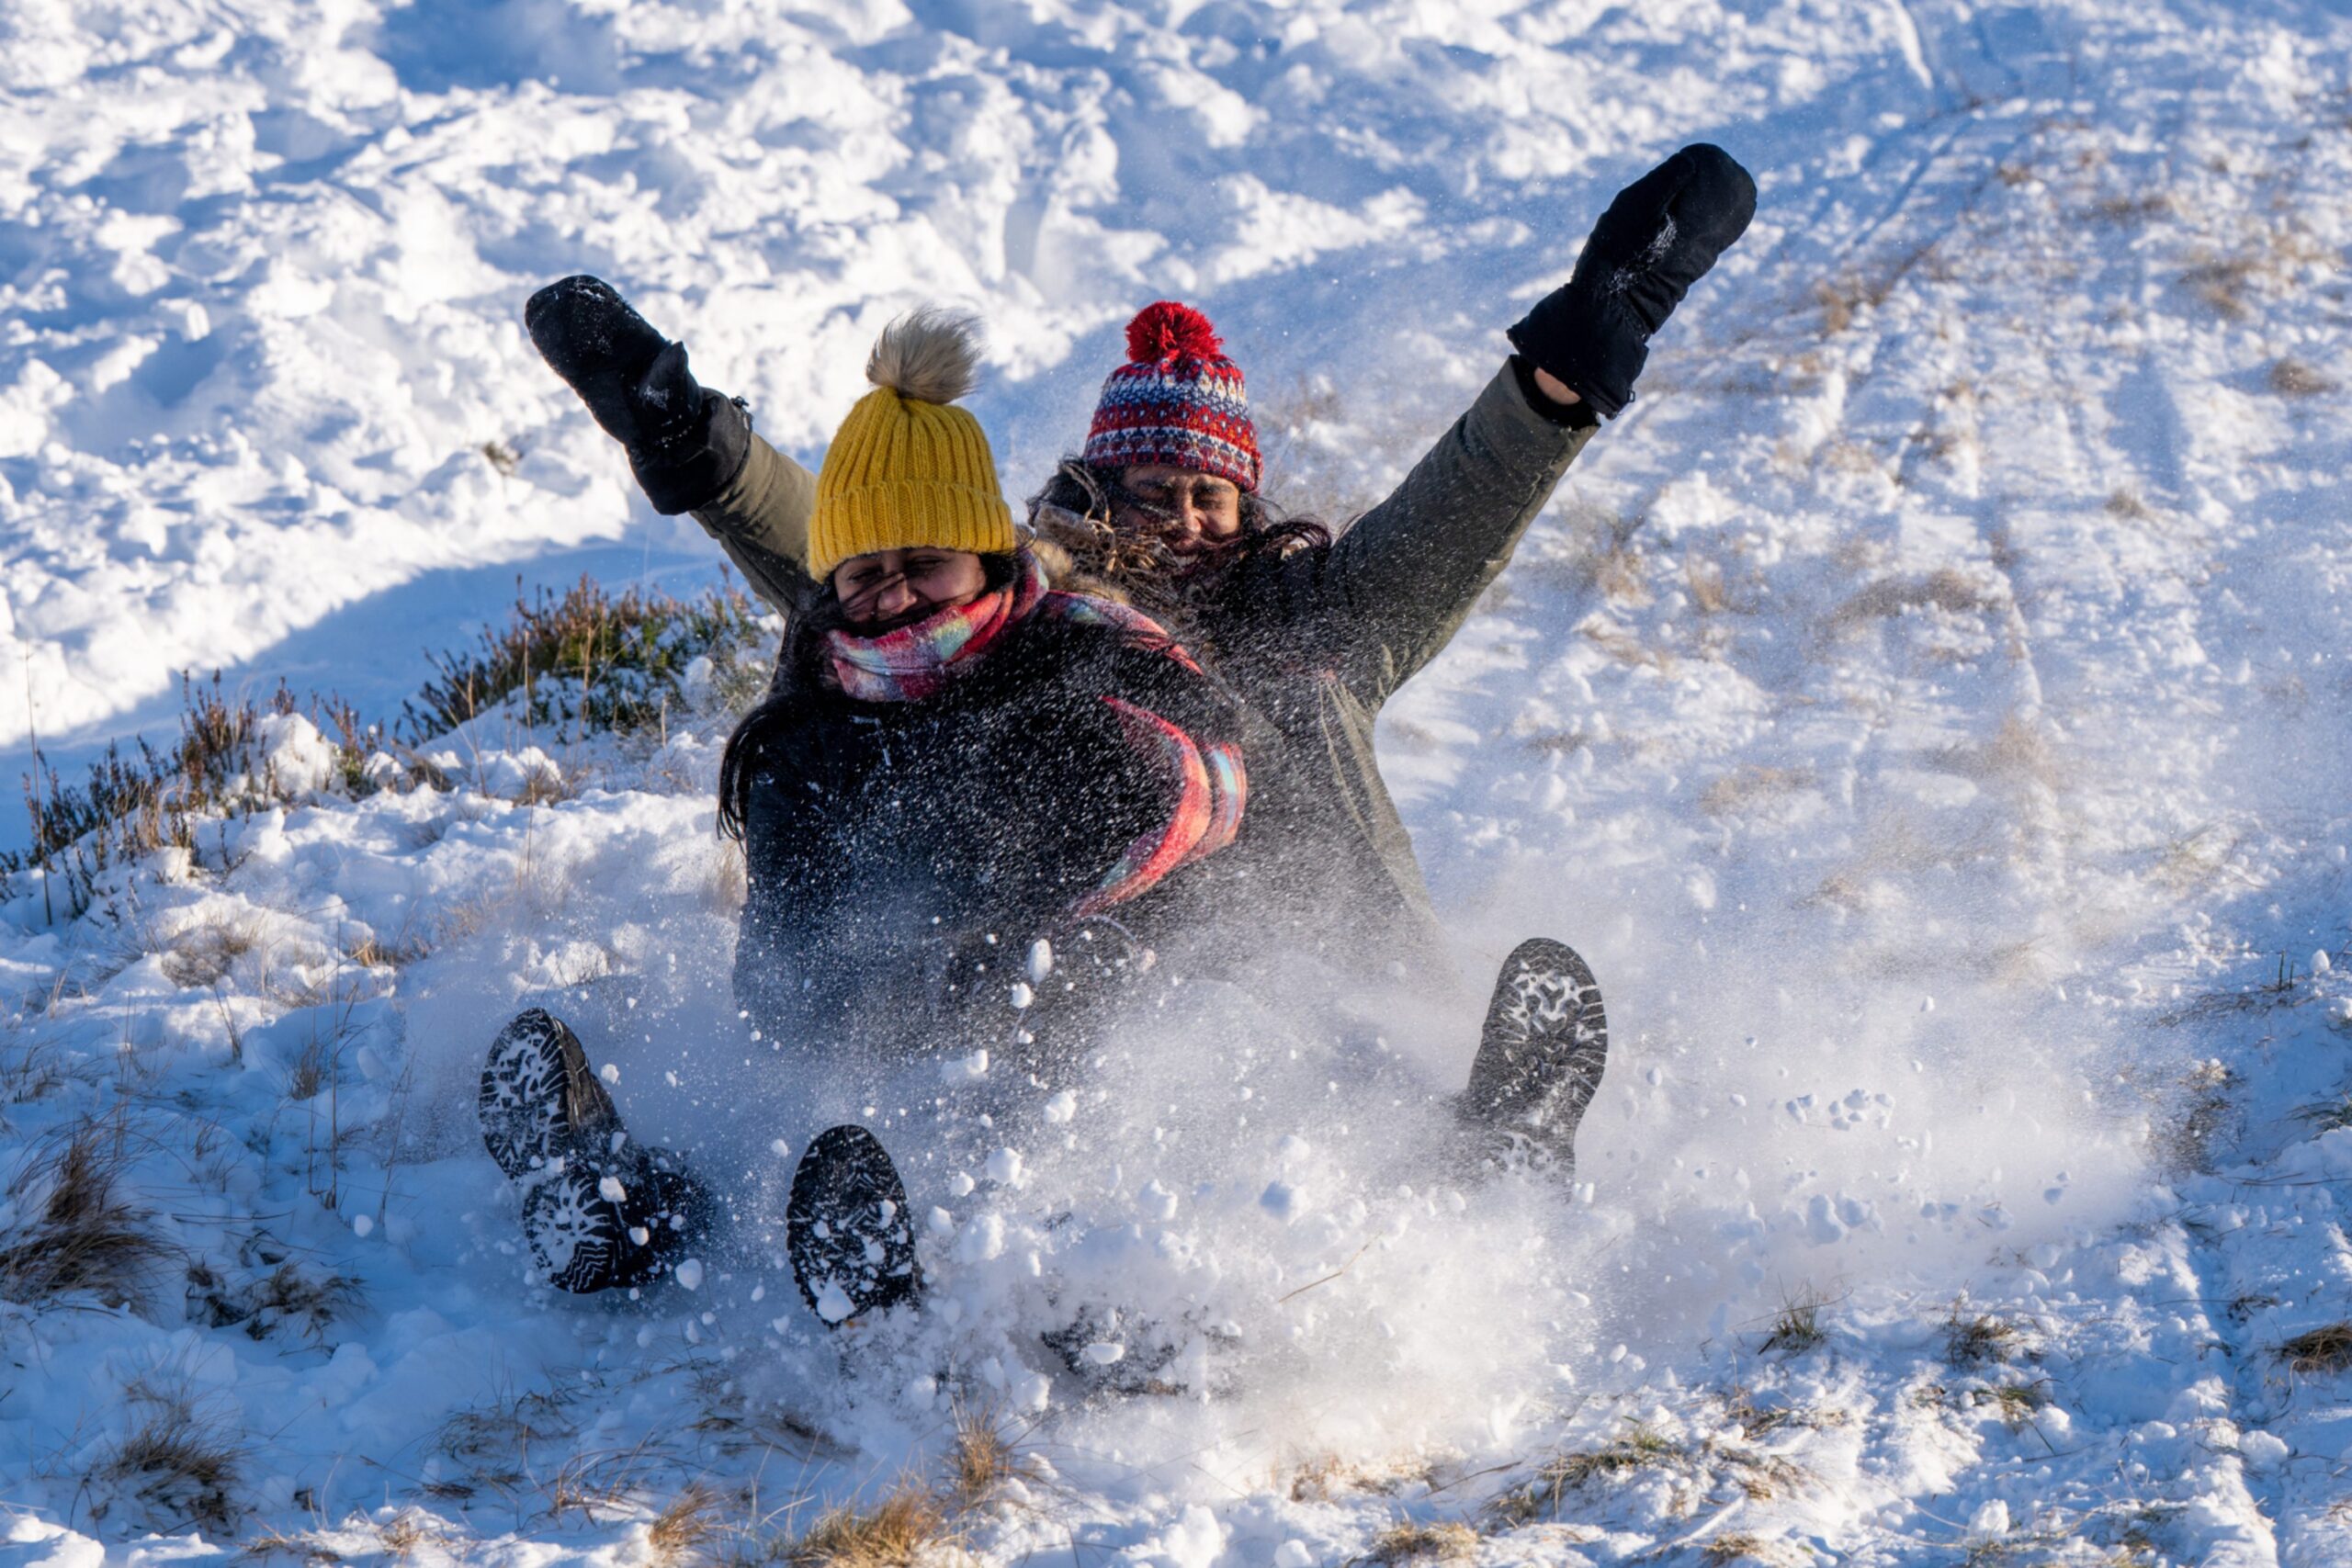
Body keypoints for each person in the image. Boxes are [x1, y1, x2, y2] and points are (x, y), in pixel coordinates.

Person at [522, 145, 1752, 1187]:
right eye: (1156, 489)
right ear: (1096, 491)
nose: (1190, 518)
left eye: (1215, 493)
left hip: (1327, 974)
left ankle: (1477, 1142)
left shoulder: (1318, 618)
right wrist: (696, 440)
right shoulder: (1020, 611)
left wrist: (1579, 351)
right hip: (1084, 993)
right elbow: (851, 560)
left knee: (1305, 943)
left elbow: (1462, 501)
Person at [480, 310, 1248, 1298]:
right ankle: (636, 1205)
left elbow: (1224, 783)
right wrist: (880, 979)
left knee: (1055, 996)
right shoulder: (808, 729)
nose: (896, 597)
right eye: (866, 574)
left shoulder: (1089, 648)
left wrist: (1107, 783)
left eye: (925, 563)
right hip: (890, 1042)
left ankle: (1034, 1273)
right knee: (800, 1087)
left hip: (1108, 1033)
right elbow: (781, 974)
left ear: (984, 554)